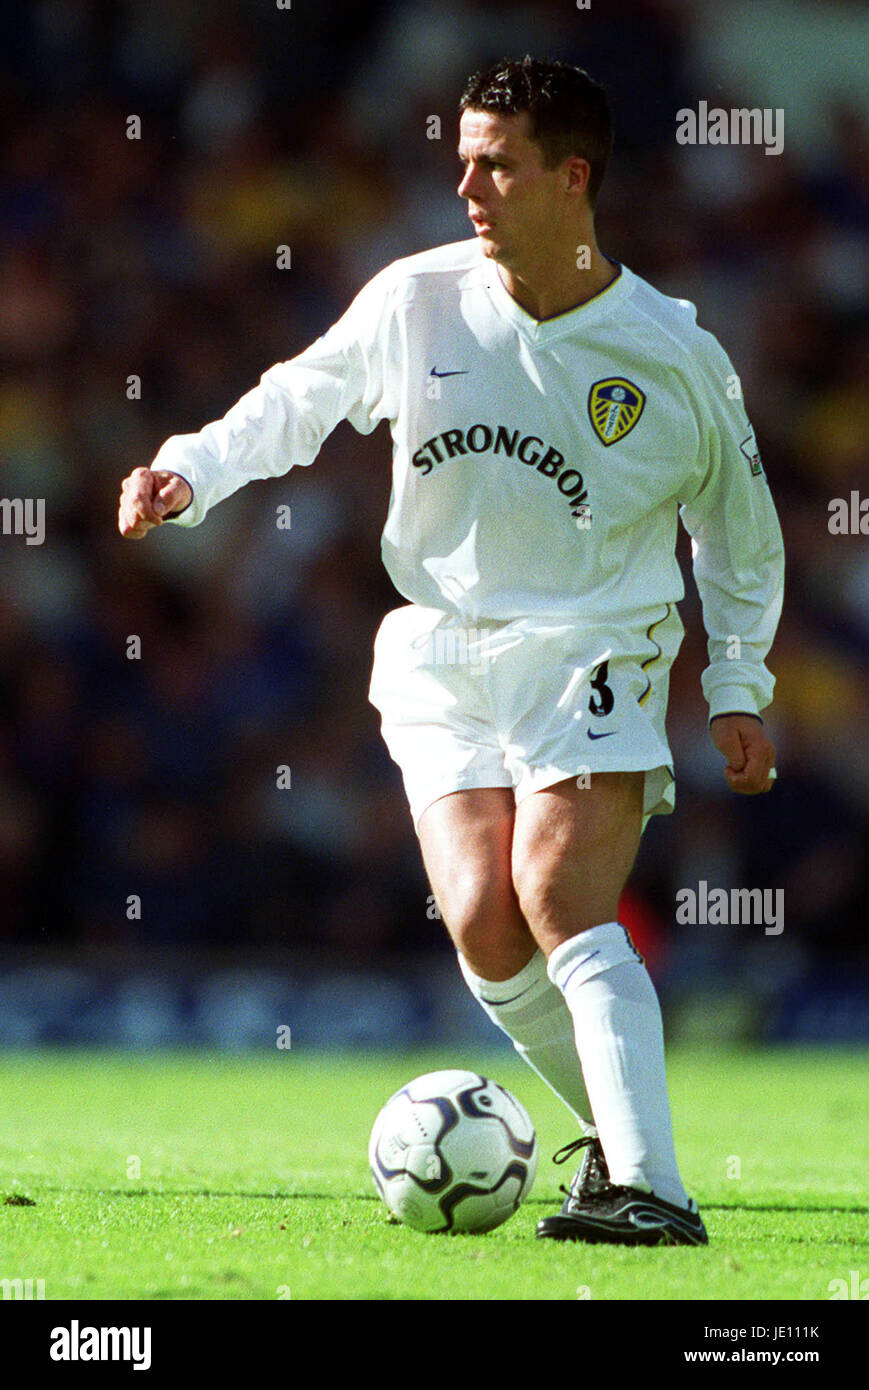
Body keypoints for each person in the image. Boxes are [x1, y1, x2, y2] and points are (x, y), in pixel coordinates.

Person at [118, 56, 784, 1246]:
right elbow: (299, 396)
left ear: (571, 178)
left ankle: (653, 1191)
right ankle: (622, 1144)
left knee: (556, 892)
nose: (463, 182)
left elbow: (735, 528)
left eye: (494, 162)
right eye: (462, 157)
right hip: (436, 649)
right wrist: (194, 470)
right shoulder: (416, 299)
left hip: (593, 643)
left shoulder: (670, 352)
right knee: (482, 921)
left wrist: (734, 677)